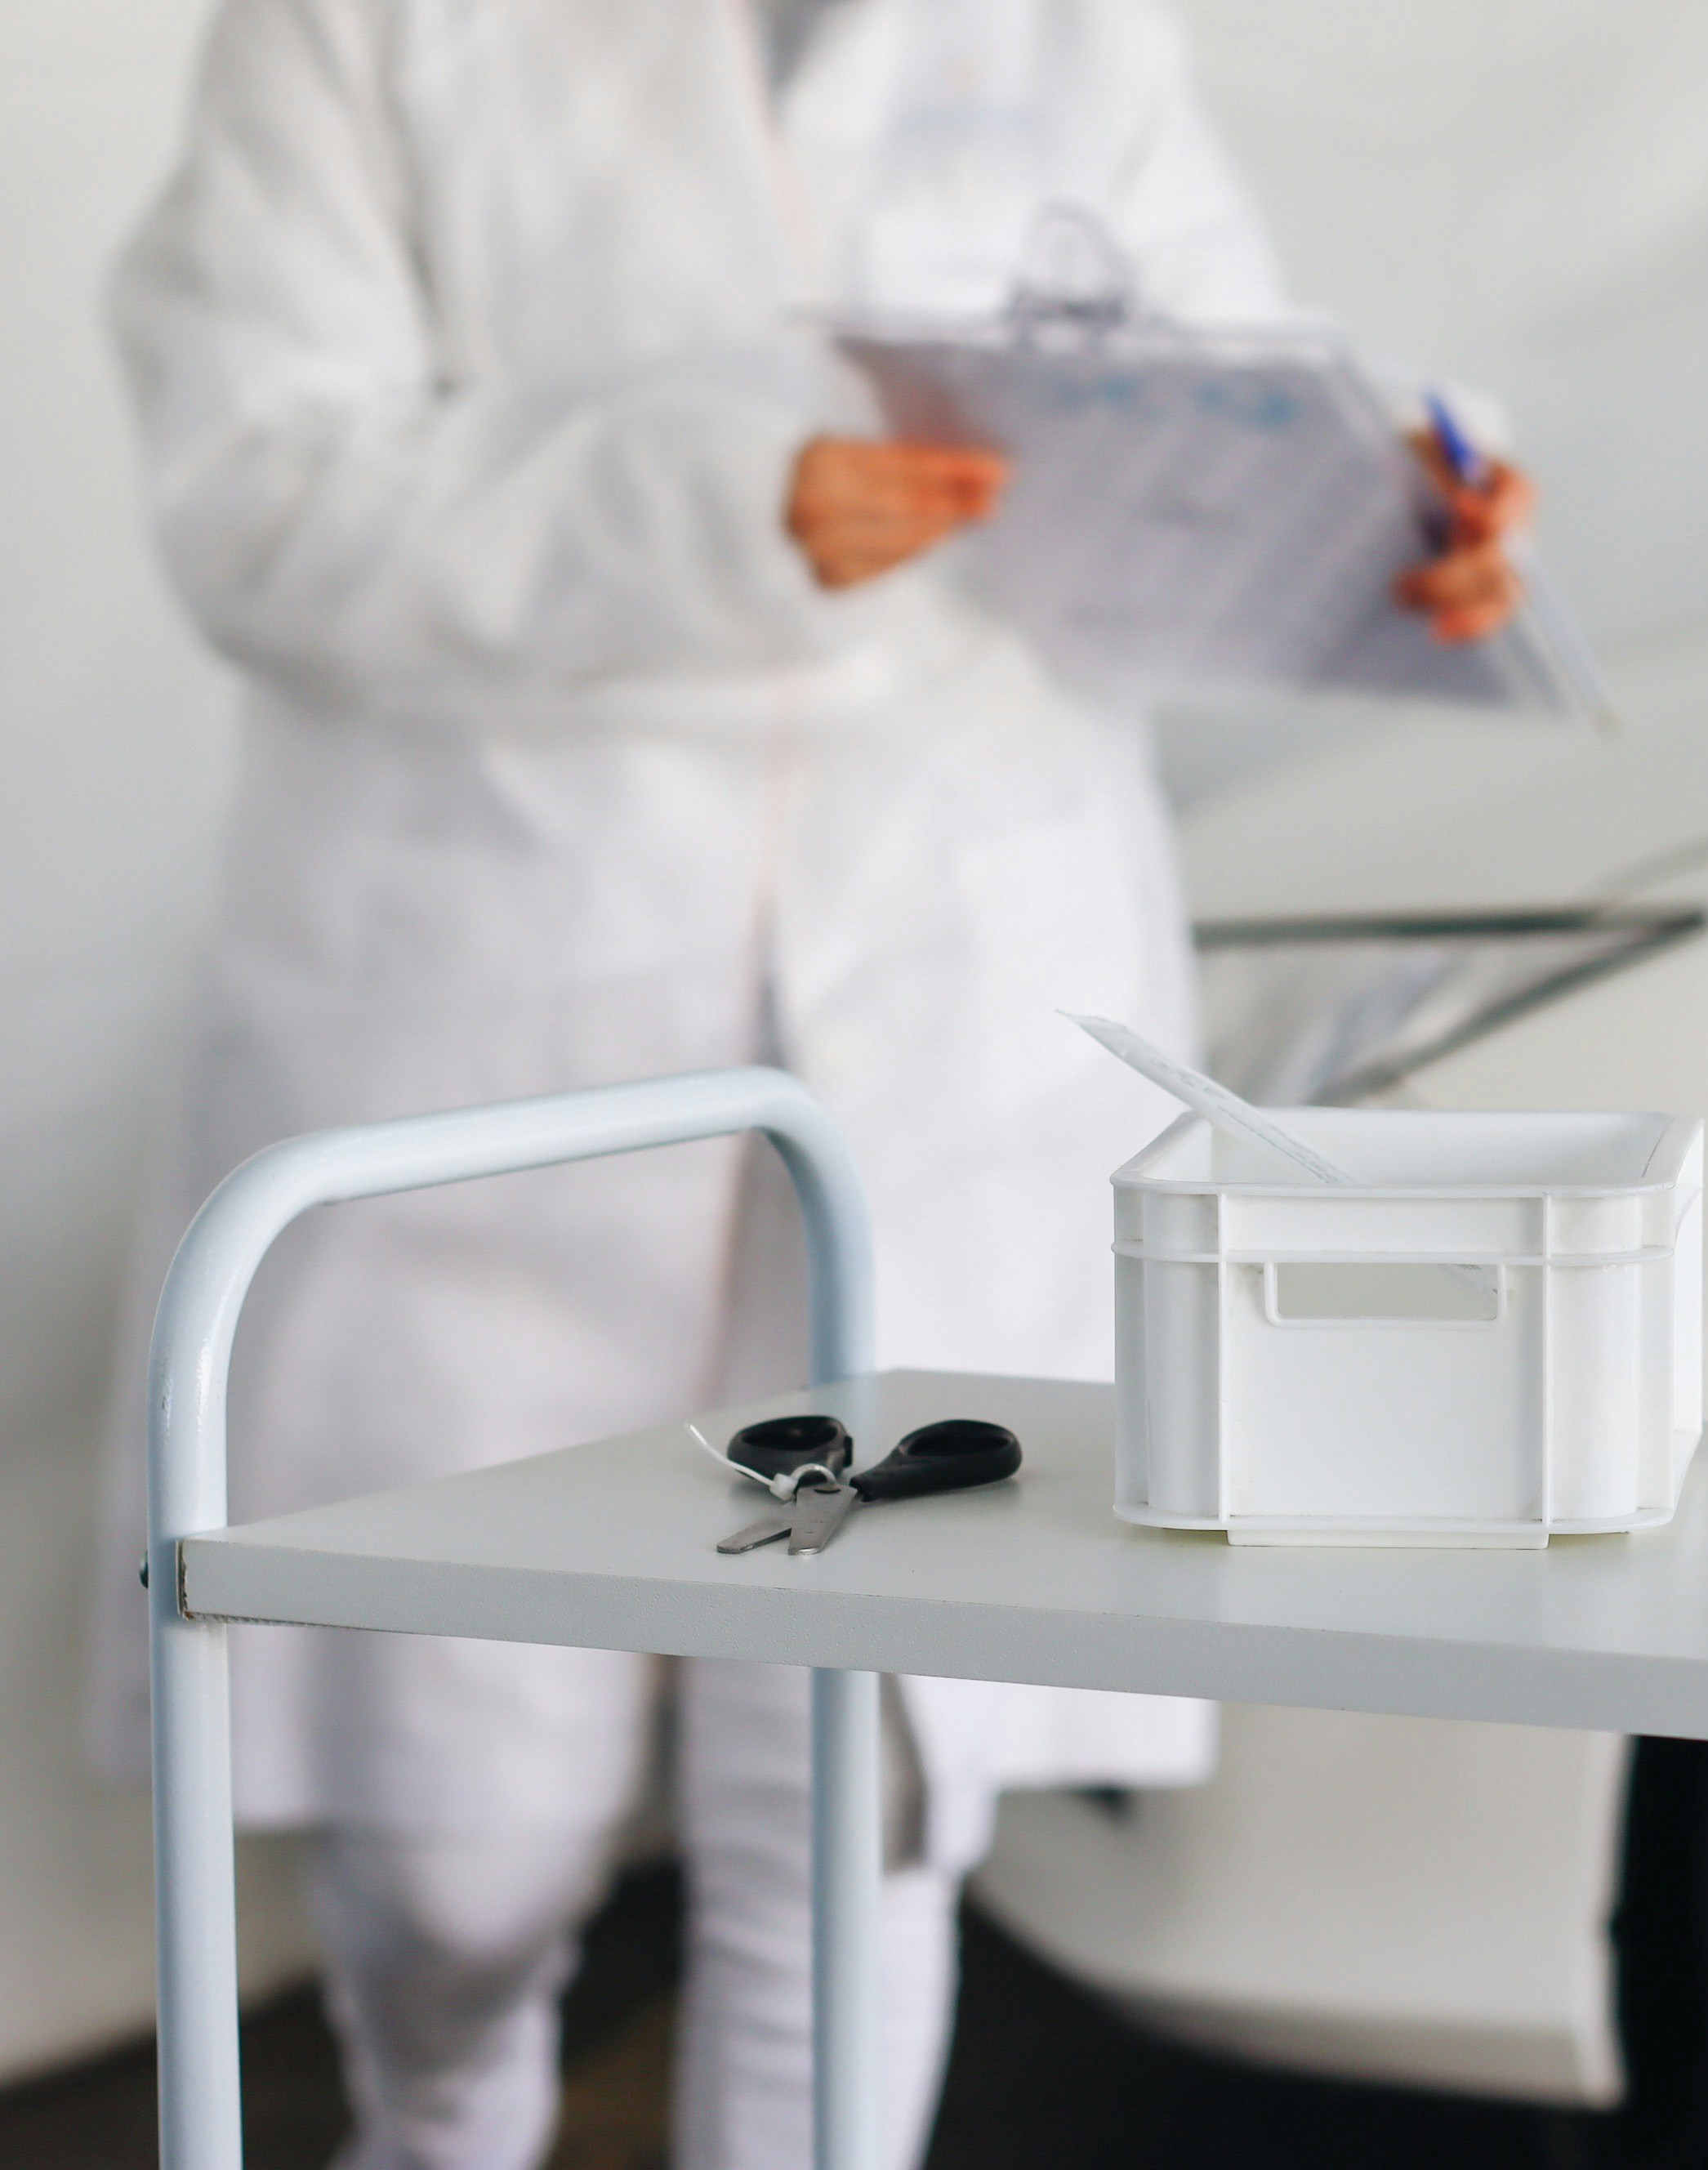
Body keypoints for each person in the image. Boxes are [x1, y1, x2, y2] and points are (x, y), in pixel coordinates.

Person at [97, 3, 1527, 2166]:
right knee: (463, 1812)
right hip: (503, 991)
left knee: (861, 1771)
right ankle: (439, 2114)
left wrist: (1391, 496)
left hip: (946, 999)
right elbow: (257, 495)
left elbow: (1220, 369)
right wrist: (722, 500)